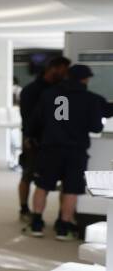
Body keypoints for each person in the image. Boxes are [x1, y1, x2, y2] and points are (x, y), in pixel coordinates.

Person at [26, 63, 112, 239]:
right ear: (85, 79)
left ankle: (36, 223)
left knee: (43, 185)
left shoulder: (49, 95)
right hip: (75, 151)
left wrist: (32, 137)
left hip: (50, 149)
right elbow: (96, 127)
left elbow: (36, 121)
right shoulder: (91, 99)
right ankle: (63, 228)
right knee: (71, 188)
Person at [18, 56, 70, 218]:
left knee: (54, 178)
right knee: (28, 174)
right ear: (53, 68)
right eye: (63, 70)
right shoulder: (31, 90)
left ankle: (58, 215)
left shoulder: (61, 90)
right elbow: (28, 118)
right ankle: (24, 209)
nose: (65, 74)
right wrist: (30, 137)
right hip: (33, 140)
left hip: (55, 141)